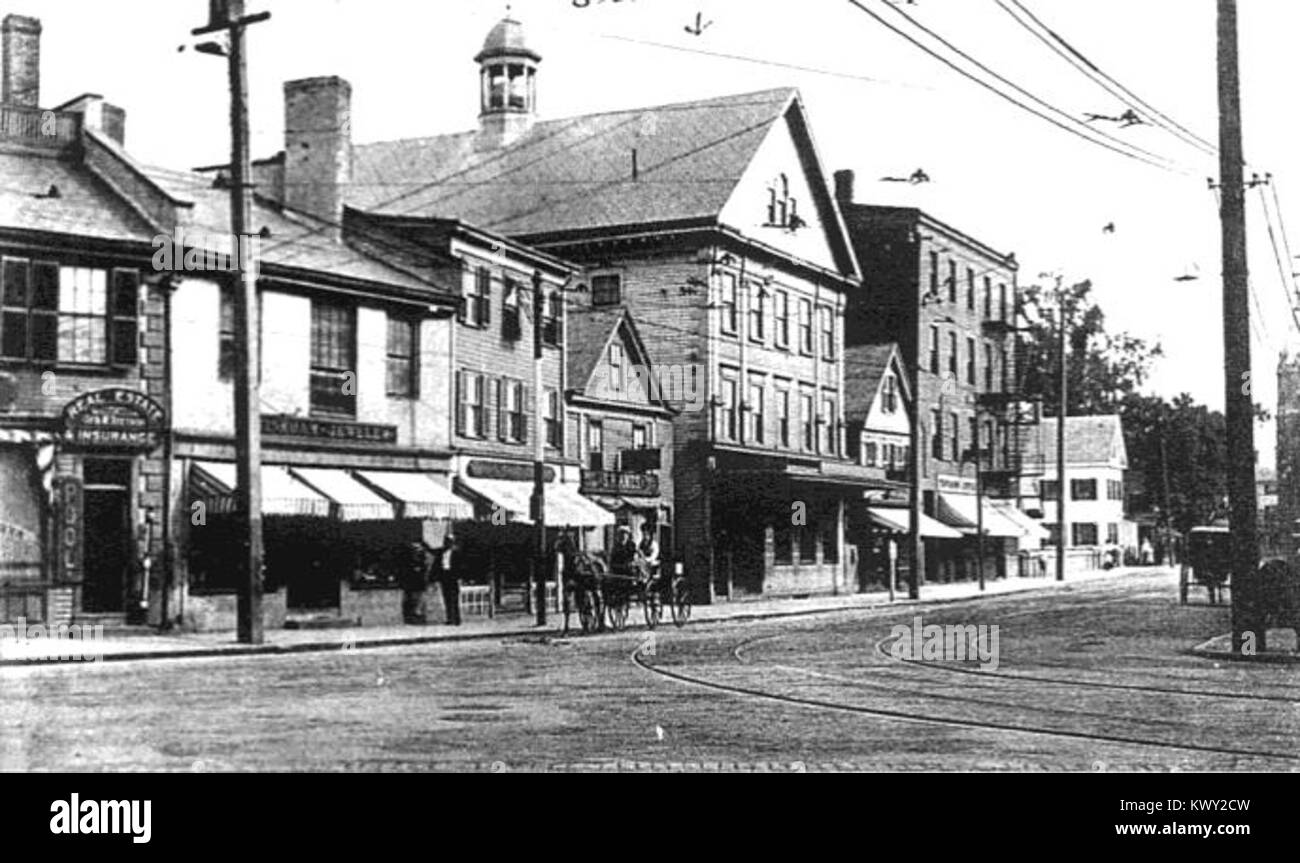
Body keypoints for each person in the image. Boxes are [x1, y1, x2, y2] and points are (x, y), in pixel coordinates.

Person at [432, 533, 462, 626]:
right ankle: (449, 618)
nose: (448, 544)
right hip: (445, 576)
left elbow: (460, 566)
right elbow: (437, 564)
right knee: (447, 598)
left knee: (454, 598)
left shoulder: (457, 552)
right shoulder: (441, 553)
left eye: (450, 542)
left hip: (453, 577)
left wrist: (459, 577)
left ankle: (457, 619)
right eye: (447, 542)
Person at [400, 539, 431, 624]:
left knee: (418, 601)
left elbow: (426, 568)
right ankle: (413, 617)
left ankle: (418, 617)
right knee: (412, 601)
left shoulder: (423, 556)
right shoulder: (411, 557)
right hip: (413, 582)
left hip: (419, 582)